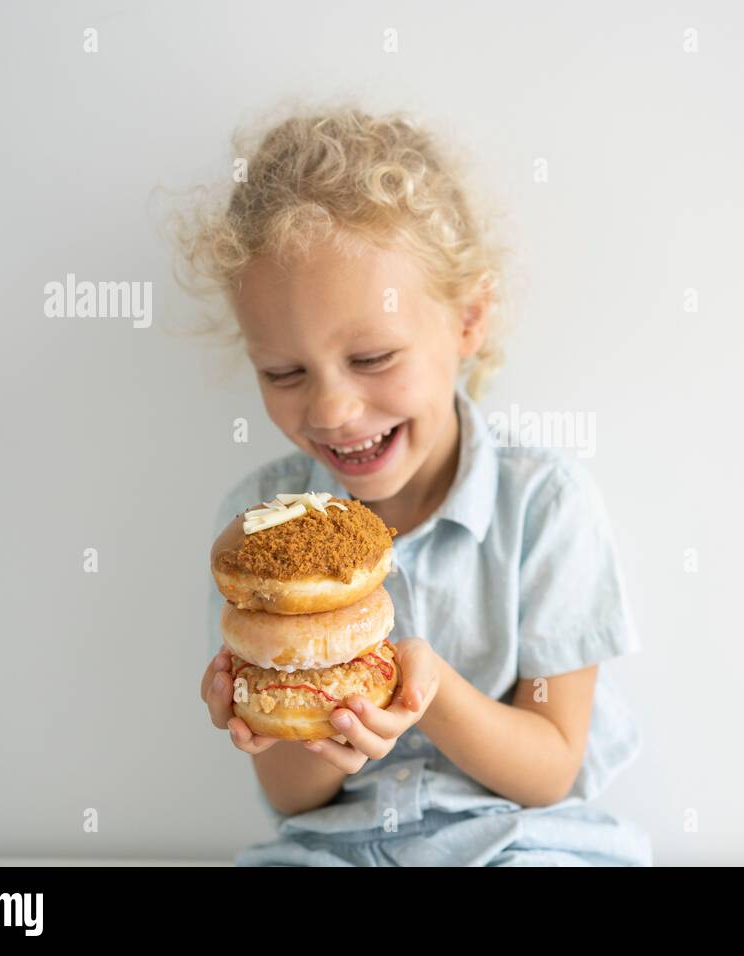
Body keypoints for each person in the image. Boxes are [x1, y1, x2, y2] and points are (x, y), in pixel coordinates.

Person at [176, 104, 651, 866]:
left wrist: (420, 690)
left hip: (514, 837)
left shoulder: (545, 507)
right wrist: (286, 716)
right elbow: (292, 797)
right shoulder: (254, 535)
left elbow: (553, 766)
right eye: (285, 373)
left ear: (467, 321)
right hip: (334, 846)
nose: (331, 409)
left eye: (371, 359)